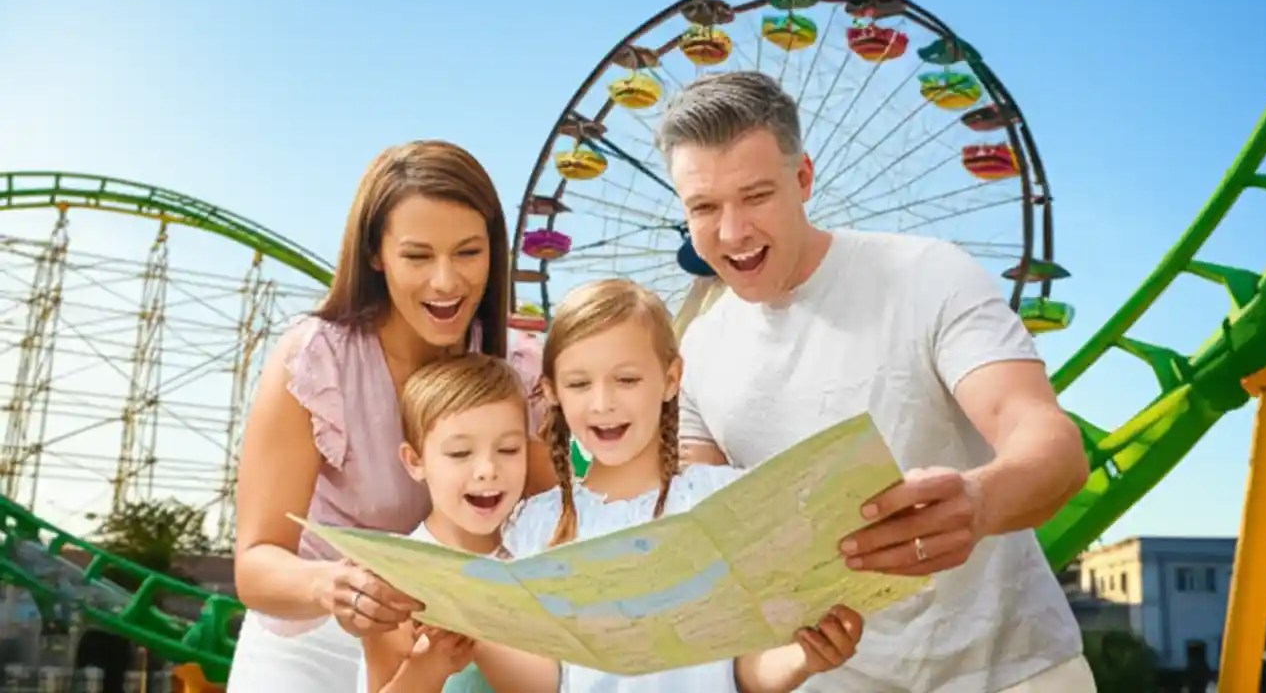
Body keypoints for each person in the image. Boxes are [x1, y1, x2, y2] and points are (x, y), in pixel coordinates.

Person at [660, 71, 1094, 692]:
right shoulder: (698, 350)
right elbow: (699, 520)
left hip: (1012, 670)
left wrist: (979, 501)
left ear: (803, 178)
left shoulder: (927, 274)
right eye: (703, 207)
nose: (731, 233)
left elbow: (1049, 443)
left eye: (756, 196)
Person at [226, 140, 556, 691]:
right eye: (418, 256)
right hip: (312, 644)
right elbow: (255, 564)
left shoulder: (515, 368)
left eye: (469, 253)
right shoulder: (315, 361)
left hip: (456, 652)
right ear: (377, 254)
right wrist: (334, 584)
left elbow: (556, 527)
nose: (446, 281)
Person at [473, 278, 864, 693]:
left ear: (672, 378)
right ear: (552, 391)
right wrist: (472, 633)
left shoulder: (728, 500)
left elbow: (747, 670)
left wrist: (802, 657)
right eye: (579, 384)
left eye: (626, 379)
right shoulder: (536, 524)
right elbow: (545, 684)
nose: (602, 403)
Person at [361, 353, 531, 693]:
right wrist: (430, 666)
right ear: (415, 461)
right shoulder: (397, 576)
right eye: (460, 454)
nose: (487, 469)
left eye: (509, 449)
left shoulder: (537, 556)